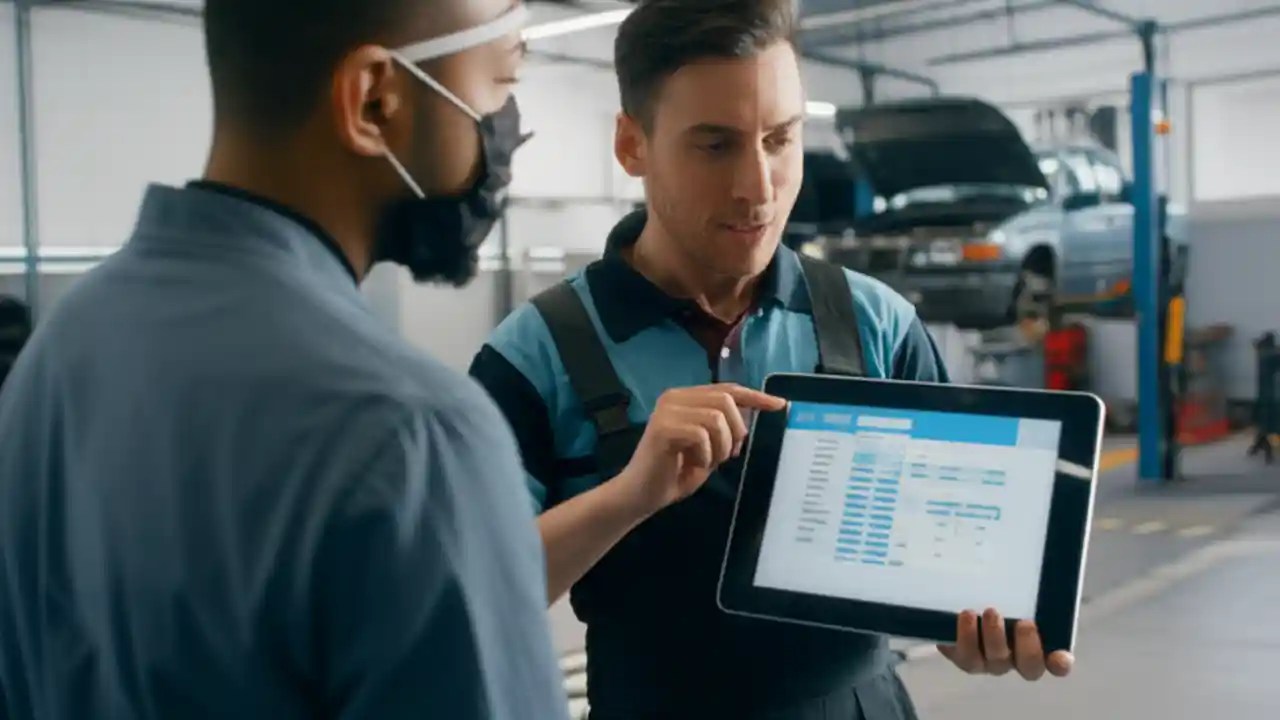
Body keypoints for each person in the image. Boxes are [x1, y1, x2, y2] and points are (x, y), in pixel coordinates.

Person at [468, 0, 1075, 717]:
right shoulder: (535, 354)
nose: (757, 187)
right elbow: (471, 594)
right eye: (715, 145)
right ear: (632, 145)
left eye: (780, 139)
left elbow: (939, 566)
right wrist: (629, 496)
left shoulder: (876, 324)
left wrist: (978, 629)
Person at [0, 1, 569, 718]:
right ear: (374, 101)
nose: (505, 126)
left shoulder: (58, 352)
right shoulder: (413, 433)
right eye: (500, 83)